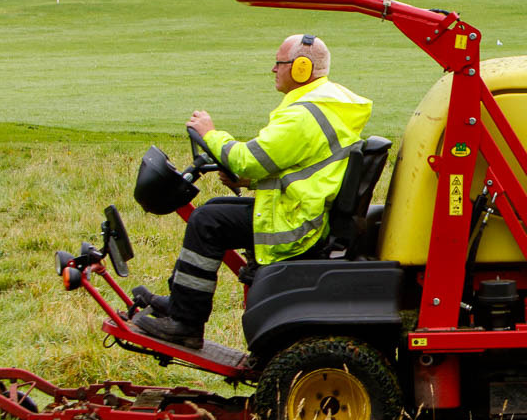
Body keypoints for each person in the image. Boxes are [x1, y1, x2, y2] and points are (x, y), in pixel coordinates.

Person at [131, 33, 373, 350]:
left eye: (279, 63)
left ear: (301, 68)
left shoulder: (303, 114)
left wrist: (210, 133)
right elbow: (298, 167)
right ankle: (180, 302)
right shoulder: (327, 103)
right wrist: (246, 184)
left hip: (297, 223)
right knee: (214, 209)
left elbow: (248, 161)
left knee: (206, 221)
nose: (273, 69)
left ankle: (186, 324)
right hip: (307, 209)